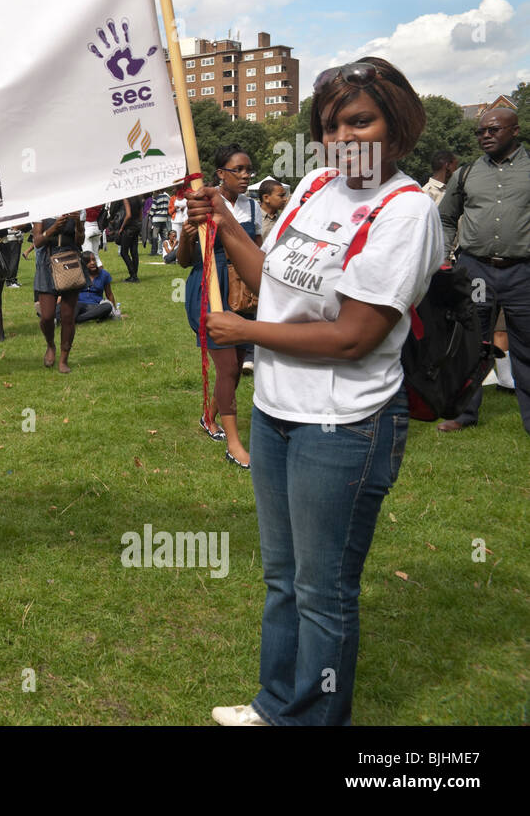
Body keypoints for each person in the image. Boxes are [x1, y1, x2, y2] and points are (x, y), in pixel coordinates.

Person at [193, 57, 442, 726]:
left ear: (396, 123)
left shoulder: (406, 210)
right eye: (330, 125)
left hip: (346, 424)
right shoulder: (312, 185)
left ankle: (313, 717)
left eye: (359, 120)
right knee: (282, 578)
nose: (342, 138)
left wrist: (248, 330)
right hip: (275, 412)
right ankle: (277, 703)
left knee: (322, 589)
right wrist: (222, 216)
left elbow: (355, 334)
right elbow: (274, 274)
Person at [437, 107, 529, 433]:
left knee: (525, 345)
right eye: (480, 131)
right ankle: (463, 414)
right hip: (475, 268)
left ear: (515, 130)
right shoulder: (466, 173)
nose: (485, 136)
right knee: (470, 343)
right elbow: (445, 217)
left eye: (493, 130)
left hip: (523, 271)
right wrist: (446, 256)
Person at [179, 145, 262, 468]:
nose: (244, 176)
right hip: (209, 288)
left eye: (248, 170)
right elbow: (185, 261)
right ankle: (234, 444)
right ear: (220, 174)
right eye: (237, 170)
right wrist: (187, 237)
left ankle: (208, 418)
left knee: (236, 365)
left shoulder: (252, 209)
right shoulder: (199, 205)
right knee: (228, 368)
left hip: (243, 293)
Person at [33, 212, 85, 372]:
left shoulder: (76, 207)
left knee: (68, 316)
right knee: (47, 316)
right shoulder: (40, 207)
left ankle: (64, 358)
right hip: (47, 263)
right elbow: (37, 241)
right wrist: (54, 227)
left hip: (69, 262)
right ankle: (50, 345)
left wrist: (77, 223)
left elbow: (80, 241)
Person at [73, 252, 118, 323]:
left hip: (95, 306)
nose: (92, 263)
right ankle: (86, 317)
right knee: (72, 307)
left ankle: (79, 319)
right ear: (83, 264)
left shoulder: (104, 274)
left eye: (94, 260)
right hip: (79, 304)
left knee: (107, 306)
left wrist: (115, 311)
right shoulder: (78, 274)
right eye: (88, 261)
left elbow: (109, 294)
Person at [255, 178, 290, 244]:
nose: (285, 199)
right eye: (281, 196)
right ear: (266, 198)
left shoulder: (284, 218)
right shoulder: (253, 220)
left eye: (285, 195)